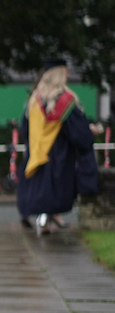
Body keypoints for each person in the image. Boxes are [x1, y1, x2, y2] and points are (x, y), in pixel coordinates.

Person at [17, 57, 100, 234]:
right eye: (66, 71)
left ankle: (44, 218)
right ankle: (48, 217)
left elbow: (24, 129)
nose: (69, 74)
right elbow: (79, 135)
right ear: (60, 75)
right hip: (59, 155)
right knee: (55, 188)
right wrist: (89, 131)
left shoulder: (34, 101)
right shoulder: (67, 101)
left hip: (37, 152)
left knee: (41, 187)